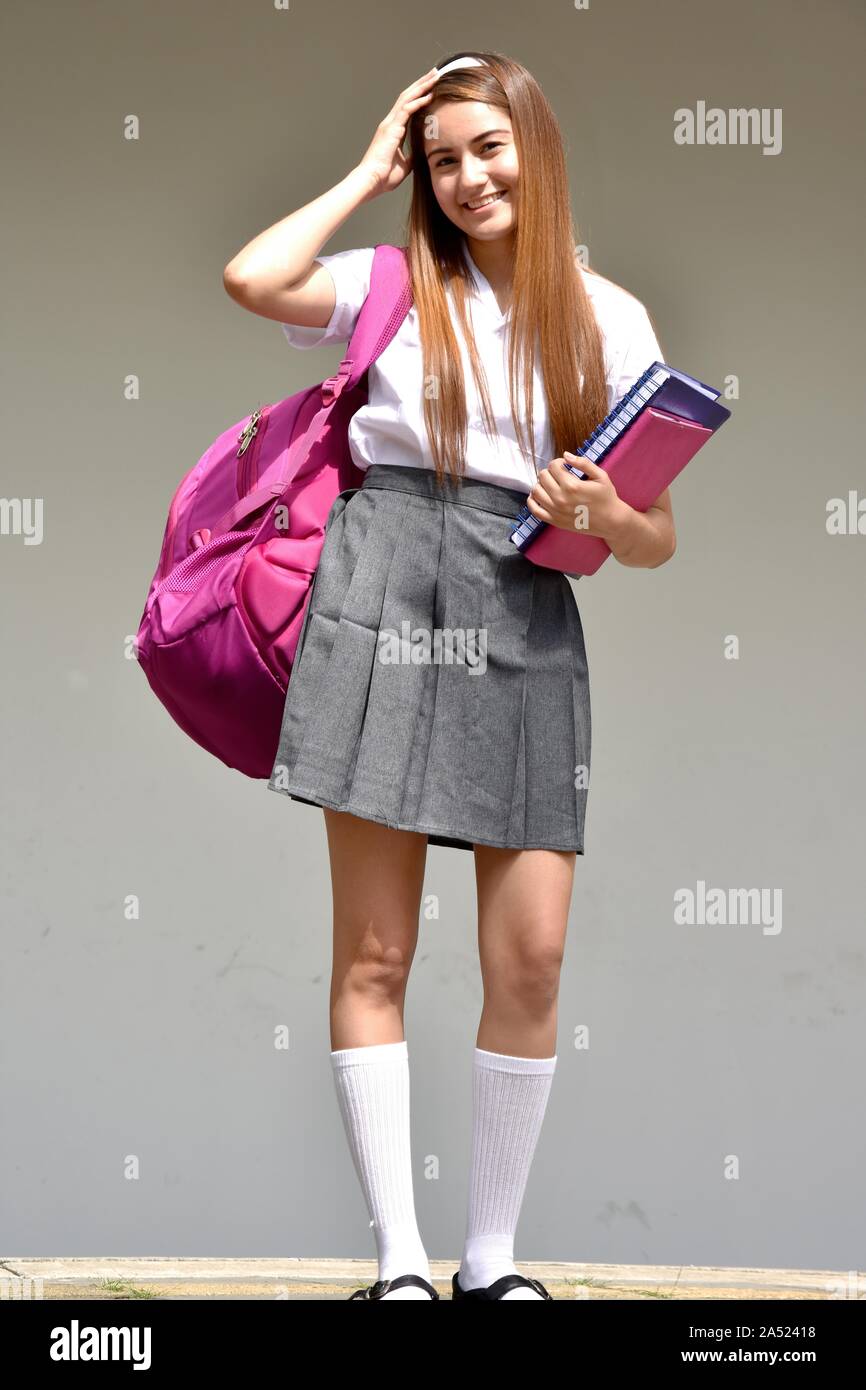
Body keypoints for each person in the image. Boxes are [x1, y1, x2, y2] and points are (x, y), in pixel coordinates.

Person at [223, 51, 676, 1301]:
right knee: (373, 950)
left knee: (526, 960)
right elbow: (251, 277)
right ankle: (400, 1268)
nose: (466, 176)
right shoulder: (388, 282)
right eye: (440, 159)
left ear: (536, 146)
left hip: (522, 601)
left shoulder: (609, 317)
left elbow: (650, 536)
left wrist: (602, 507)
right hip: (378, 588)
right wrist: (368, 170)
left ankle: (491, 1263)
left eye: (487, 146)